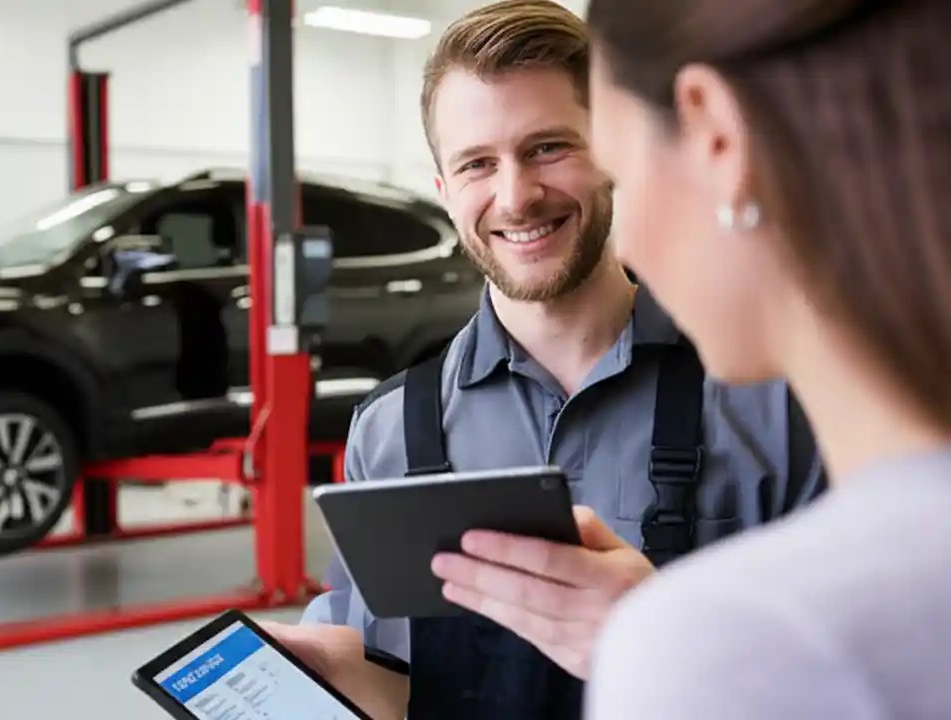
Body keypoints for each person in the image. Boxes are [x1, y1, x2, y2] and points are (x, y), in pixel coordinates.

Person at [263, 2, 825, 718]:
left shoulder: (766, 402)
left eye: (548, 148)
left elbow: (877, 678)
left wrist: (674, 640)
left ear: (614, 153)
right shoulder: (390, 432)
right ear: (445, 191)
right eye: (476, 163)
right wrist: (335, 682)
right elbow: (400, 687)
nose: (516, 195)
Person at [577, 0, 951, 717]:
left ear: (714, 134)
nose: (623, 247)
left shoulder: (734, 642)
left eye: (619, 178)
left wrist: (671, 641)